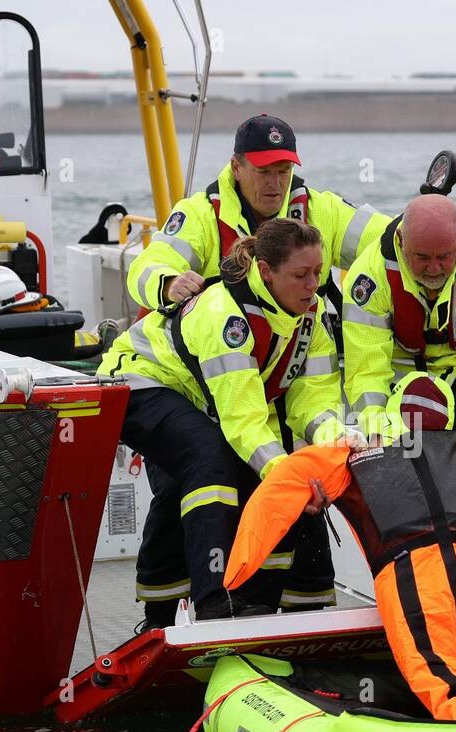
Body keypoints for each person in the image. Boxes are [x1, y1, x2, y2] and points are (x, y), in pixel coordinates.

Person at [124, 114, 388, 624]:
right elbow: (150, 265)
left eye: (284, 170)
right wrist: (168, 286)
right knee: (205, 464)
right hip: (175, 379)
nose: (275, 182)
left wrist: (335, 442)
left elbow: (389, 240)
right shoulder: (203, 218)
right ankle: (198, 609)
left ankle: (294, 606)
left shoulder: (316, 232)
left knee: (293, 461)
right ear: (237, 167)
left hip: (259, 374)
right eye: (264, 170)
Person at [223, 372, 456, 723]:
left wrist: (238, 571)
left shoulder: (352, 455)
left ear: (393, 411)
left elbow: (281, 486)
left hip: (411, 572)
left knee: (439, 672)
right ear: (449, 415)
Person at [99, 218, 350, 620]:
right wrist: (286, 475)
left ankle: (261, 602)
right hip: (142, 380)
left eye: (319, 273)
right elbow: (243, 422)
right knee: (210, 458)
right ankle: (212, 600)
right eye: (301, 275)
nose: (313, 286)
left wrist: (337, 440)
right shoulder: (228, 319)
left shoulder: (313, 318)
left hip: (206, 398)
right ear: (266, 272)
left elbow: (312, 403)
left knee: (273, 463)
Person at [342, 193, 456, 458]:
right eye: (422, 257)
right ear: (400, 239)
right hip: (402, 378)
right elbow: (366, 369)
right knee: (400, 457)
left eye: (444, 256)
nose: (434, 268)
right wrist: (375, 432)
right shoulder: (369, 277)